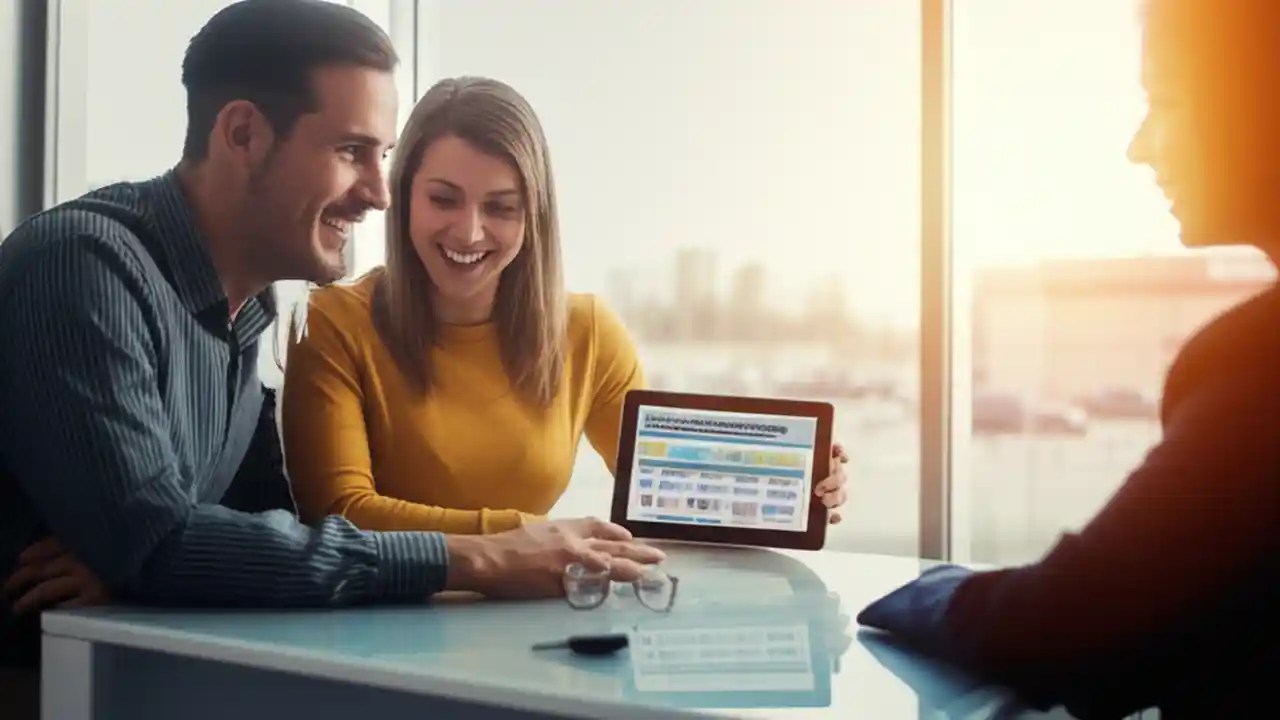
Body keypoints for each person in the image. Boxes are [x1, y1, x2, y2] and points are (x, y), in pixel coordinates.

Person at [0, 0, 664, 694]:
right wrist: (483, 557)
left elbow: (259, 522)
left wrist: (149, 559)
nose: (379, 193)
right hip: (45, 684)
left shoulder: (244, 304)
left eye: (382, 157)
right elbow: (167, 542)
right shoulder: (82, 268)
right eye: (353, 152)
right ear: (244, 134)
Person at [857, 1, 1280, 717]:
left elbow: (1068, 626)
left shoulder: (1254, 369)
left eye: (1165, 103)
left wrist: (921, 592)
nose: (1139, 148)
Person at [279, 76, 851, 534]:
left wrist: (795, 482)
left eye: (501, 207)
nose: (469, 232)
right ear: (402, 195)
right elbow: (341, 514)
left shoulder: (587, 332)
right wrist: (529, 538)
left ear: (535, 217)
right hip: (377, 635)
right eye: (443, 199)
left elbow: (671, 492)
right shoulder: (334, 324)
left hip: (531, 627)